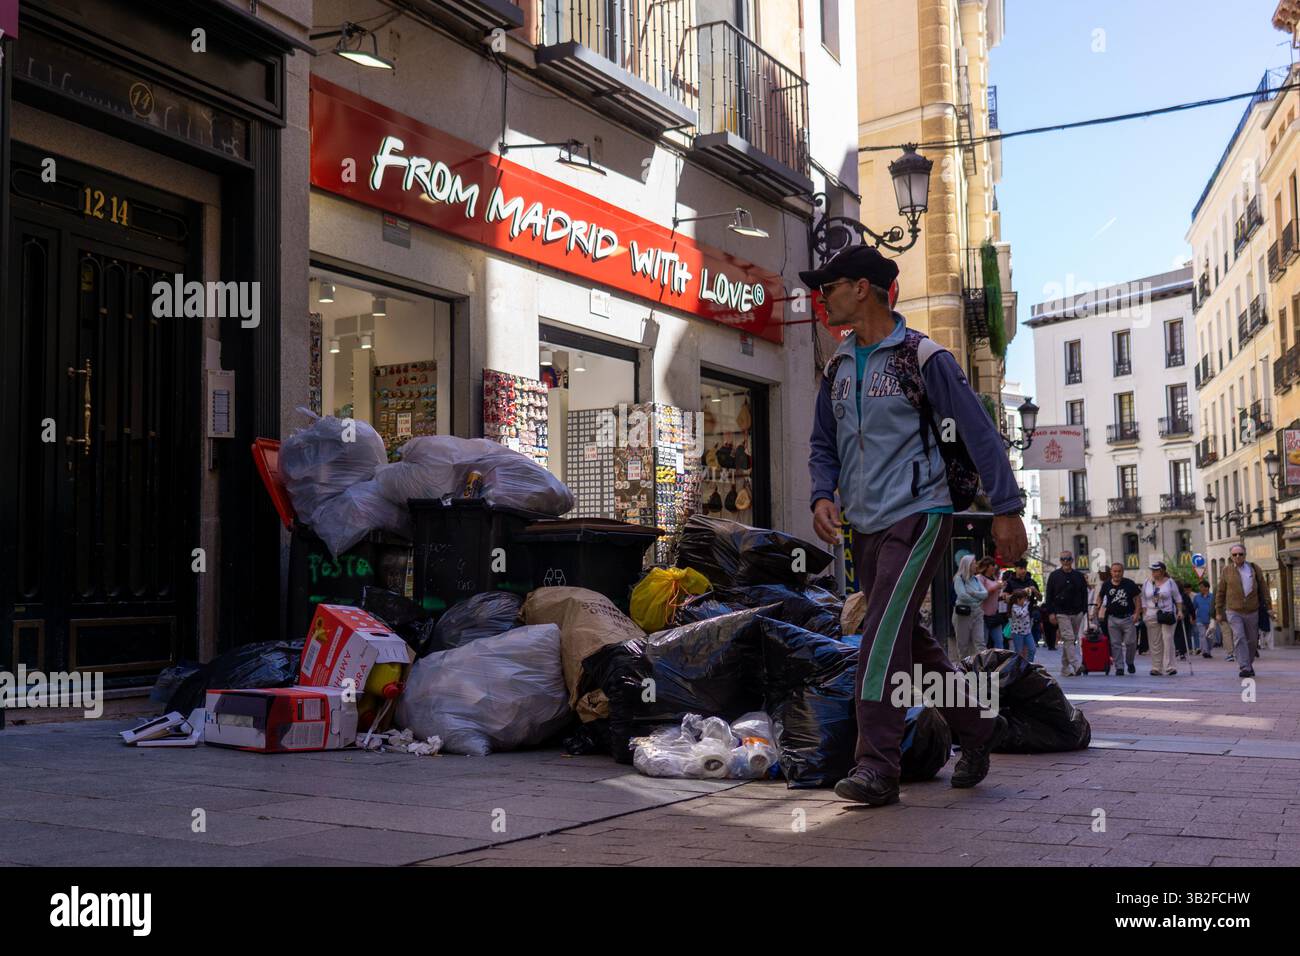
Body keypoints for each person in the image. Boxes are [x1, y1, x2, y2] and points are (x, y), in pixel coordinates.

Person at [805, 244, 1027, 807]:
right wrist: (820, 495)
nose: (822, 297)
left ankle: (877, 766)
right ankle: (979, 727)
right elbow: (822, 444)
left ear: (862, 288)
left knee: (879, 637)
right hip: (865, 523)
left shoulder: (923, 358)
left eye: (829, 286)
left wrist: (1006, 508)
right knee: (911, 640)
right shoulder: (835, 368)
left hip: (921, 513)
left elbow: (977, 432)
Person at [1215, 544, 1272, 679]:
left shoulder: (1254, 568)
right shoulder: (1226, 571)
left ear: (1245, 555)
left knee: (1252, 640)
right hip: (1233, 610)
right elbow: (1220, 592)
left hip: (1252, 610)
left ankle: (1249, 664)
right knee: (1239, 636)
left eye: (1240, 554)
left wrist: (1269, 606)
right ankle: (1244, 667)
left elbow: (1263, 588)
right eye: (1234, 555)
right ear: (1231, 557)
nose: (1238, 557)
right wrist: (1218, 610)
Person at [1043, 550, 1090, 677]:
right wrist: (1051, 612)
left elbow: (1084, 593)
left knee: (1070, 640)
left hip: (1077, 612)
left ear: (1072, 560)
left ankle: (1064, 668)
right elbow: (1049, 595)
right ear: (1060, 560)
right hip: (1061, 612)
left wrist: (1084, 610)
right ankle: (1076, 664)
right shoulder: (1054, 575)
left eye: (1068, 559)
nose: (1066, 561)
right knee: (1068, 638)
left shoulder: (1079, 576)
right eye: (1063, 559)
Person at [1096, 562, 1142, 676]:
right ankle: (1119, 667)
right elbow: (1100, 596)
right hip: (1112, 618)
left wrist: (1137, 613)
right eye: (1114, 571)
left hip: (1128, 618)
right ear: (1111, 572)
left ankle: (1130, 662)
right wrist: (1098, 606)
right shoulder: (1106, 584)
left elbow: (1137, 599)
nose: (1117, 574)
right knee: (1115, 644)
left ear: (1123, 572)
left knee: (1130, 642)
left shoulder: (1129, 584)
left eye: (1119, 571)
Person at [1142, 562, 1184, 676]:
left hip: (1167, 613)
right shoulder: (1147, 582)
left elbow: (1178, 597)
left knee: (1168, 639)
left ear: (1162, 571)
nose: (1154, 572)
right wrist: (1144, 614)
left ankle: (1170, 667)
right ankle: (1156, 667)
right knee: (1155, 642)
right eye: (1153, 570)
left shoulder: (1170, 583)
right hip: (1152, 613)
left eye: (1156, 570)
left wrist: (1179, 611)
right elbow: (1143, 599)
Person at [951, 554, 989, 659]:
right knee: (963, 645)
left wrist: (973, 593)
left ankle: (983, 670)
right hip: (963, 614)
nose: (976, 565)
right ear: (967, 565)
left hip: (977, 613)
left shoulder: (976, 579)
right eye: (974, 563)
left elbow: (985, 594)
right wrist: (978, 598)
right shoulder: (959, 579)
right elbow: (962, 596)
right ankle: (965, 671)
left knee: (980, 643)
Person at [1002, 559, 1042, 647]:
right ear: (1016, 568)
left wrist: (1035, 591)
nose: (1023, 570)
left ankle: (1025, 660)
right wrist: (1020, 593)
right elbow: (1005, 599)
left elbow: (1040, 598)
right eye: (1021, 568)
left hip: (1028, 617)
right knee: (1017, 646)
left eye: (1025, 568)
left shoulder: (1031, 581)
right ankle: (1019, 660)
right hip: (1015, 618)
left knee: (1028, 646)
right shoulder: (1010, 582)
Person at [977, 557, 1008, 651]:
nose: (994, 567)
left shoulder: (994, 579)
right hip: (983, 616)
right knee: (983, 642)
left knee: (999, 641)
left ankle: (999, 663)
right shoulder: (980, 578)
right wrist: (996, 586)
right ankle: (982, 663)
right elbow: (981, 594)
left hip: (994, 616)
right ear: (986, 567)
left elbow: (995, 597)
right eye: (992, 565)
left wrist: (1002, 595)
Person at [1007, 589, 1035, 661]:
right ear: (1018, 600)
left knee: (1032, 649)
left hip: (1027, 632)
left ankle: (1029, 666)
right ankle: (1017, 668)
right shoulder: (1014, 607)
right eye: (1024, 599)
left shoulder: (1025, 605)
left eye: (1026, 598)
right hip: (1017, 633)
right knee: (1018, 652)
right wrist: (1026, 606)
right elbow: (1021, 614)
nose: (1025, 600)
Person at [1192, 580, 1217, 658]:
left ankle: (1208, 650)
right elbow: (1193, 608)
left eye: (1201, 587)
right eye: (1200, 587)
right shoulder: (1197, 597)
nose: (1200, 588)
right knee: (1202, 635)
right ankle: (1205, 652)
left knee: (1209, 637)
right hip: (1200, 619)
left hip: (1211, 620)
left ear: (1207, 588)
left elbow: (1216, 607)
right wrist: (1192, 618)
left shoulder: (1213, 597)